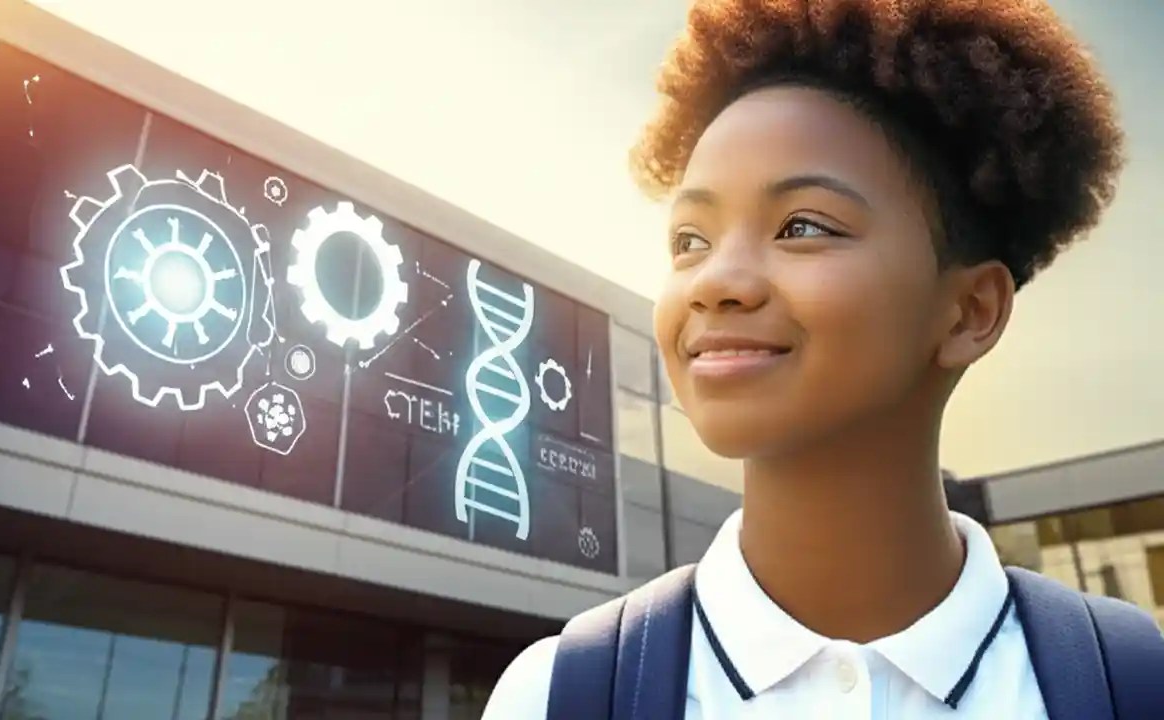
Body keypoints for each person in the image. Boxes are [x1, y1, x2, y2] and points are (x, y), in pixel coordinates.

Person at [482, 1, 1159, 718]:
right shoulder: (560, 694)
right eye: (690, 240)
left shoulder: (1128, 685)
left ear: (970, 311)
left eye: (802, 226)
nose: (715, 282)